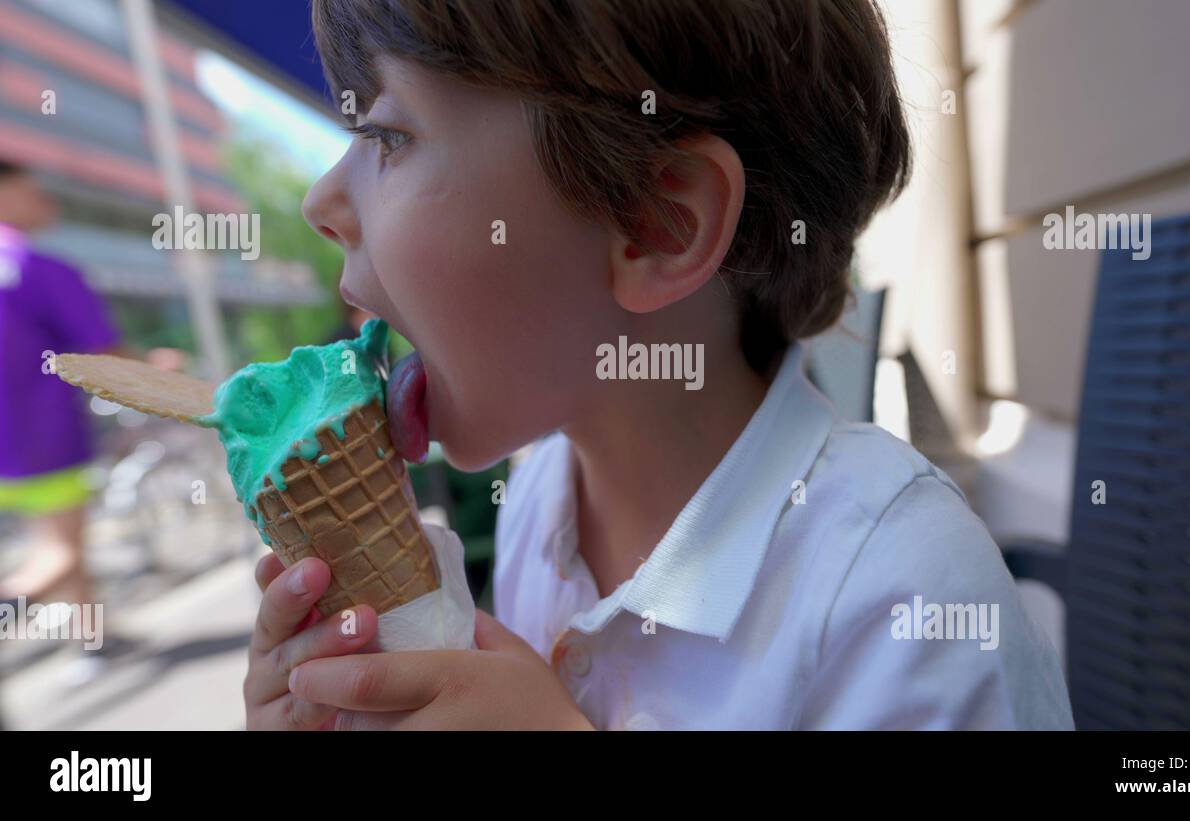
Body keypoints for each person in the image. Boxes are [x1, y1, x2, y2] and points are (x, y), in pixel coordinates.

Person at [243, 0, 1075, 730]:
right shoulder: (540, 499)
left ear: (656, 225)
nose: (319, 202)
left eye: (387, 136)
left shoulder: (901, 599)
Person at [0, 160, 121, 610]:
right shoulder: (38, 266)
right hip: (42, 435)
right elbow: (103, 354)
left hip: (8, 445)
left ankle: (92, 641)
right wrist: (155, 366)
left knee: (50, 536)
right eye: (33, 190)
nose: (47, 201)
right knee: (61, 550)